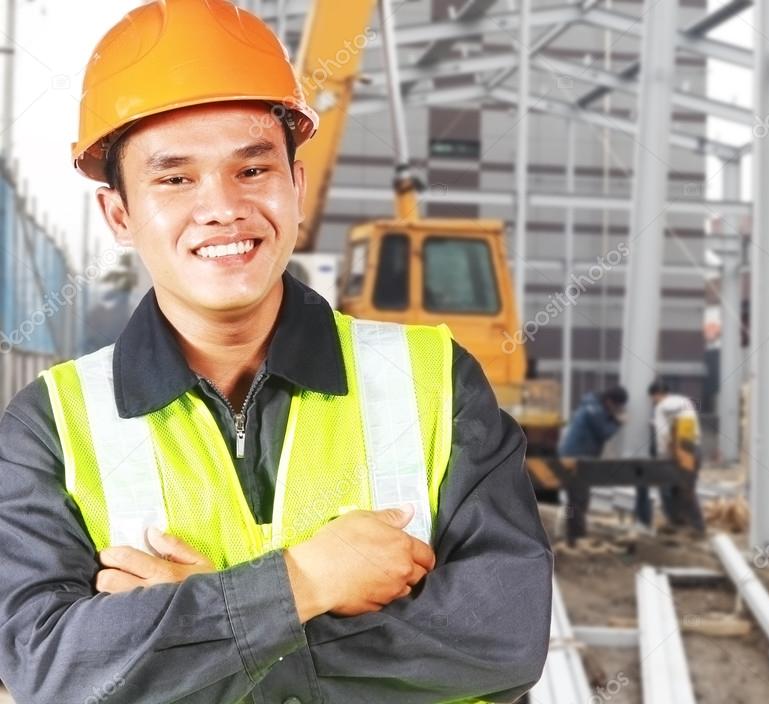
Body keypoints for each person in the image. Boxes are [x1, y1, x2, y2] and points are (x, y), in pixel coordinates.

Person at [0, 2, 552, 702]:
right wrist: (303, 583)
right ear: (120, 215)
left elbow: (502, 638)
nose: (223, 208)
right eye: (175, 179)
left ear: (296, 187)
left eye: (253, 169)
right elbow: (49, 669)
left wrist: (203, 630)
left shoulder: (435, 382)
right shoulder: (51, 426)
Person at [556, 386, 628, 548]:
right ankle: (576, 537)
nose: (617, 410)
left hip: (576, 457)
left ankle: (571, 535)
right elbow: (604, 432)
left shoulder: (593, 406)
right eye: (617, 406)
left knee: (576, 499)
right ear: (610, 401)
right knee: (578, 500)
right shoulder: (593, 410)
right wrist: (618, 422)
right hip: (576, 458)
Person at [635, 379, 706, 538]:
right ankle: (685, 523)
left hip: (680, 452)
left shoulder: (661, 407)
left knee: (674, 487)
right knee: (686, 487)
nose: (652, 402)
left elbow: (663, 435)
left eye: (652, 398)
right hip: (695, 449)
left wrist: (664, 458)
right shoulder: (686, 401)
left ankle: (694, 526)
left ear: (656, 395)